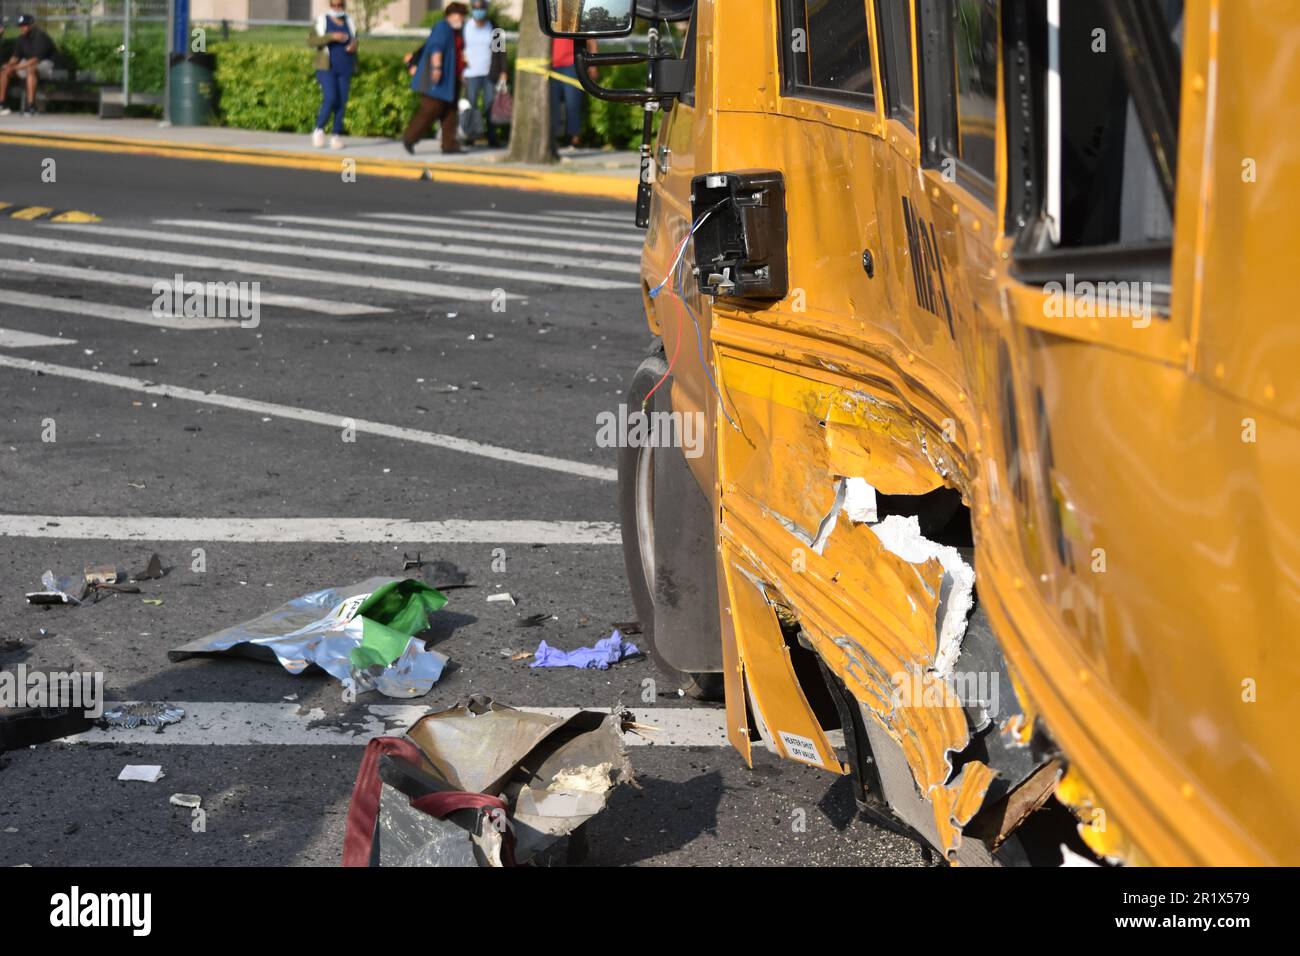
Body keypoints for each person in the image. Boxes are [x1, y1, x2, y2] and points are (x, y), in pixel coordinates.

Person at [401, 3, 468, 155]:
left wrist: (462, 73)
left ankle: (449, 144)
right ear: (450, 15)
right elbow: (436, 48)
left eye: (463, 15)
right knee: (431, 108)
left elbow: (460, 53)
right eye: (459, 15)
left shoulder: (457, 31)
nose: (461, 18)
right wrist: (436, 68)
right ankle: (410, 137)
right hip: (439, 77)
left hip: (452, 78)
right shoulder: (442, 27)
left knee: (450, 112)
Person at [307, 0, 358, 149]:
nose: (337, 8)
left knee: (341, 101)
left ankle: (336, 135)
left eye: (340, 5)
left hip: (345, 67)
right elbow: (312, 41)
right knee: (330, 98)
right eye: (334, 5)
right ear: (329, 6)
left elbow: (355, 39)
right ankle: (319, 129)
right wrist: (331, 37)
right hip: (326, 67)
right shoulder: (322, 20)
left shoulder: (349, 21)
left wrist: (354, 46)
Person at [461, 0, 507, 148]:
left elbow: (501, 52)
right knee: (471, 104)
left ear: (486, 10)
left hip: (489, 73)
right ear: (471, 9)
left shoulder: (494, 27)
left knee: (490, 105)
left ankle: (492, 138)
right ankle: (471, 135)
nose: (478, 11)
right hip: (470, 73)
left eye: (481, 8)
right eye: (475, 8)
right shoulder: (464, 27)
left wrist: (503, 72)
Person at [0, 14, 57, 117]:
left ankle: (31, 107)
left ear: (31, 25)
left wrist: (17, 67)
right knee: (5, 71)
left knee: (31, 70)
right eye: (20, 25)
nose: (22, 28)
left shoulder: (40, 36)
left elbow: (36, 59)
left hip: (46, 65)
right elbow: (16, 57)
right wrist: (9, 65)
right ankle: (2, 105)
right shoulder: (21, 38)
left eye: (24, 25)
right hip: (27, 63)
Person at [550, 36, 598, 150]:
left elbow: (592, 42)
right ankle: (554, 138)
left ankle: (575, 139)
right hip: (553, 66)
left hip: (571, 66)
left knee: (572, 103)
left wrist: (593, 66)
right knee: (553, 103)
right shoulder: (551, 22)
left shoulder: (574, 21)